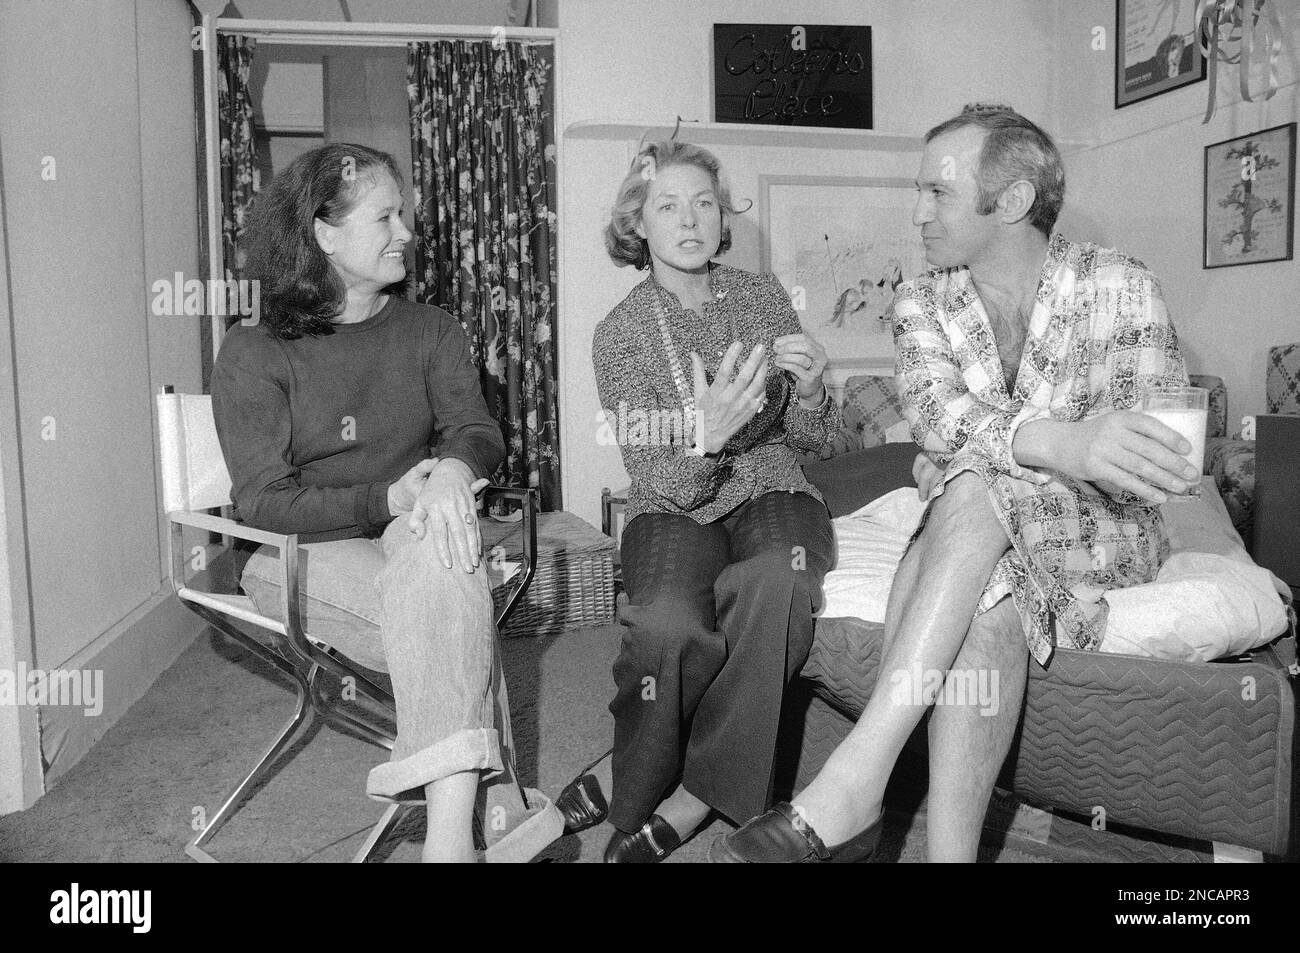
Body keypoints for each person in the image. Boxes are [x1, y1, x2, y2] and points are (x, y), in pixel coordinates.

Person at [712, 105, 1195, 863]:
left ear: (1011, 201)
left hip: (1105, 530)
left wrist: (1022, 454)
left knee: (969, 476)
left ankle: (856, 778)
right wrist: (1067, 441)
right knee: (990, 584)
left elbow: (1164, 464)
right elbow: (936, 420)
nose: (917, 212)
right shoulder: (922, 301)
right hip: (979, 531)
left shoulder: (1123, 287)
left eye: (937, 192)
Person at [211, 143, 562, 863]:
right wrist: (388, 494)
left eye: (404, 213)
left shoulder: (430, 330)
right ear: (323, 233)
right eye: (388, 215)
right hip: (295, 552)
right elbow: (264, 503)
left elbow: (475, 429)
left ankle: (445, 844)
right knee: (454, 588)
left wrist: (447, 474)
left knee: (442, 561)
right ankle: (498, 804)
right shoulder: (254, 351)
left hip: (414, 532)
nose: (407, 230)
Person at [561, 139, 841, 862]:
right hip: (675, 500)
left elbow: (812, 438)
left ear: (723, 221)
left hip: (772, 485)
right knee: (665, 621)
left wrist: (811, 392)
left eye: (705, 205)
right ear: (638, 225)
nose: (689, 221)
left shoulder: (763, 296)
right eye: (667, 205)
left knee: (776, 579)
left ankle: (694, 794)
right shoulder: (619, 333)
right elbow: (653, 473)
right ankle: (636, 768)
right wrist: (705, 440)